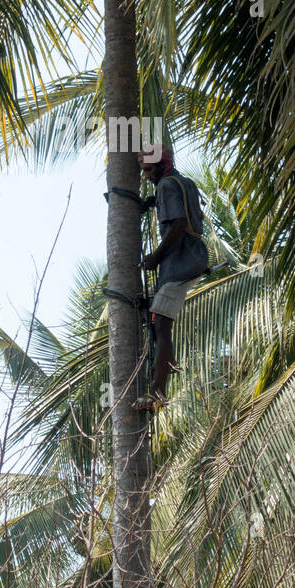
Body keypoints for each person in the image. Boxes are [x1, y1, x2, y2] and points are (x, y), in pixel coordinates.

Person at [132, 144, 209, 412]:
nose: (146, 176)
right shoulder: (183, 181)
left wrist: (155, 256)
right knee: (153, 314)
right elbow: (192, 214)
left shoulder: (165, 186)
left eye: (149, 170)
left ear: (162, 165)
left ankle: (158, 393)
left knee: (163, 324)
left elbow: (177, 224)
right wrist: (151, 203)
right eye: (143, 171)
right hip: (192, 256)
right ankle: (168, 362)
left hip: (181, 261)